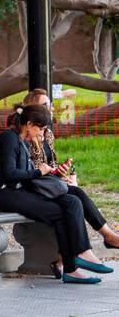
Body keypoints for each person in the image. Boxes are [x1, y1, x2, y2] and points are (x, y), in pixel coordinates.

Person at [0, 103, 111, 284]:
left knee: (72, 202)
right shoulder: (9, 139)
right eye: (40, 128)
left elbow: (26, 174)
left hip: (20, 190)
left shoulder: (23, 141)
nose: (42, 133)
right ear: (29, 124)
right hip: (3, 194)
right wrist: (39, 171)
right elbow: (9, 174)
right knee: (59, 213)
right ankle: (73, 264)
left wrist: (53, 174)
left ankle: (80, 256)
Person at [18, 88, 119, 250]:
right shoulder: (26, 134)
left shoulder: (48, 133)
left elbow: (51, 163)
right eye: (45, 104)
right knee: (74, 197)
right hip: (32, 187)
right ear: (32, 109)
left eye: (50, 104)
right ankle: (104, 239)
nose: (50, 108)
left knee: (74, 196)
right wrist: (51, 173)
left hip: (47, 184)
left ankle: (68, 259)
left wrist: (61, 172)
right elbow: (30, 167)